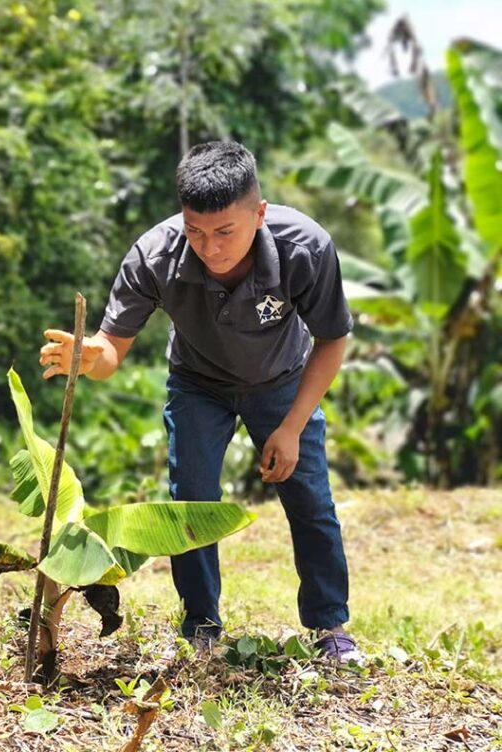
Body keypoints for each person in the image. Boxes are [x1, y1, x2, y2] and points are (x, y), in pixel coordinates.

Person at [39, 141, 361, 663]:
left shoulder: (306, 247)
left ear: (259, 213)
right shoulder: (155, 254)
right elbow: (110, 350)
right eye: (196, 232)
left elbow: (332, 340)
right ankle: (201, 625)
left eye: (225, 232)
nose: (209, 248)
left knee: (311, 503)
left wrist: (292, 426)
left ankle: (330, 628)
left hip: (283, 381)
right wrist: (87, 355)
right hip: (198, 384)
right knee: (190, 500)